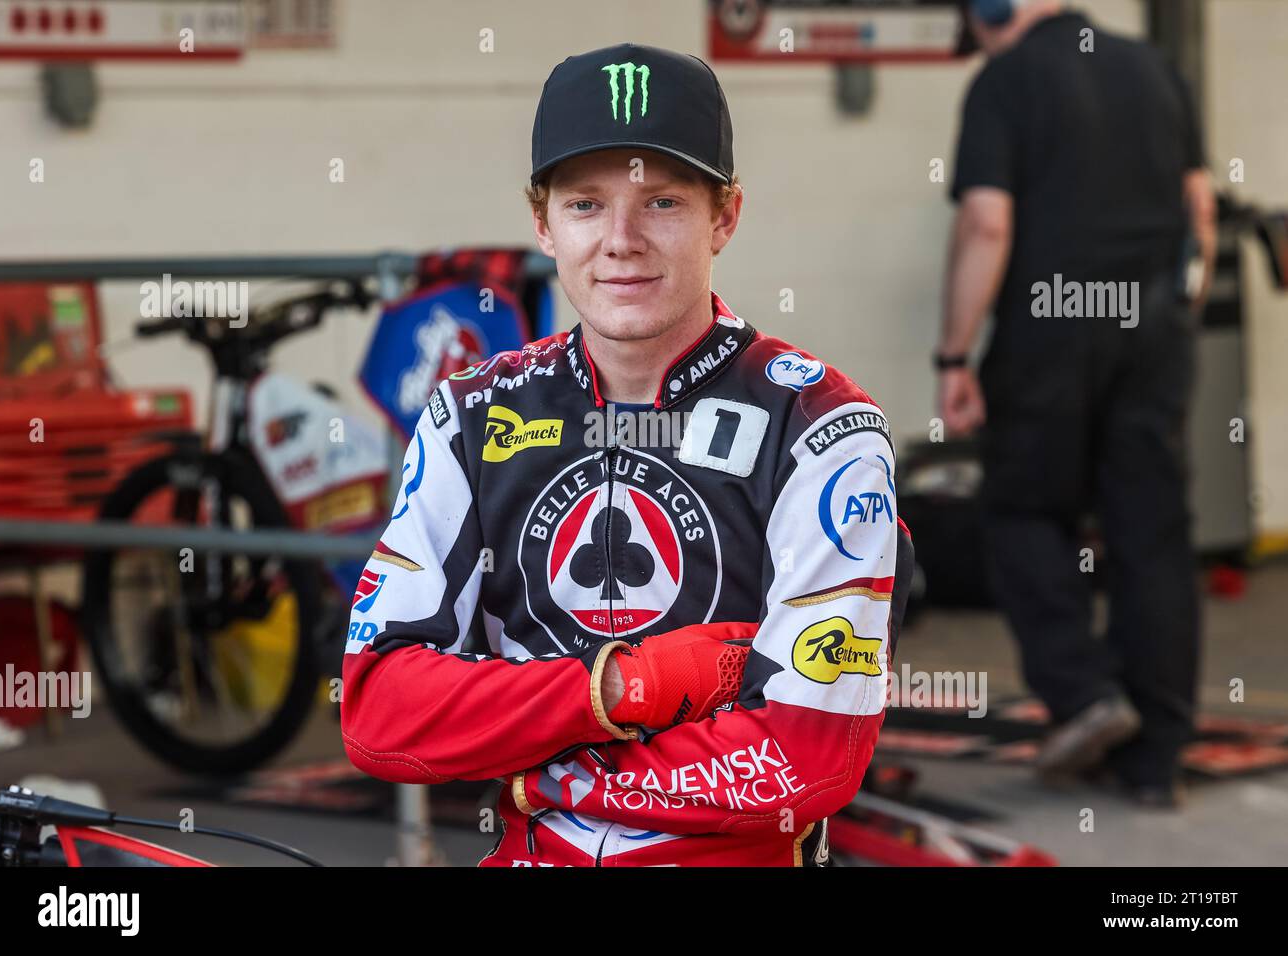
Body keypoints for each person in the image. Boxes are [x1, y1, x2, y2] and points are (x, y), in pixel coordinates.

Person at [341, 42, 913, 866]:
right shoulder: (471, 415)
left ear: (726, 216)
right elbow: (378, 712)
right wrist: (615, 687)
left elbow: (808, 756)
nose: (620, 240)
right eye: (584, 204)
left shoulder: (820, 424)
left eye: (663, 202)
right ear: (542, 222)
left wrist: (547, 775)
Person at [937, 1, 1216, 806]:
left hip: (1051, 330)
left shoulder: (1005, 79)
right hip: (1152, 332)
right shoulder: (1156, 70)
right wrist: (1173, 319)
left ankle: (1087, 695)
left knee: (1023, 510)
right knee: (1152, 529)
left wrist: (954, 355)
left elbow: (988, 224)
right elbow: (1199, 211)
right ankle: (1156, 760)